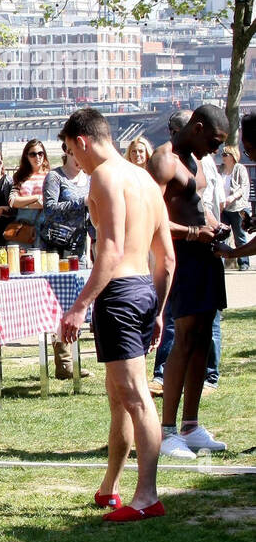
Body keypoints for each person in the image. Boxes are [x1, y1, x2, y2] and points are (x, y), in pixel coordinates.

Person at [58, 108, 173, 520]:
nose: (76, 161)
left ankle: (147, 497)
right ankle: (110, 487)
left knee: (137, 398)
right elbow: (168, 258)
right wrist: (157, 308)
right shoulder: (145, 179)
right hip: (142, 289)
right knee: (119, 397)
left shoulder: (105, 176)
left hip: (119, 293)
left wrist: (79, 306)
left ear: (83, 142)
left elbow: (110, 250)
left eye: (73, 152)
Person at [147, 105, 230, 461]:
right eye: (213, 141)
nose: (215, 149)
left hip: (204, 258)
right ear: (196, 128)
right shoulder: (163, 161)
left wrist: (213, 225)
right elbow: (152, 218)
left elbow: (197, 204)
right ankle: (166, 431)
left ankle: (191, 425)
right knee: (183, 340)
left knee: (201, 340)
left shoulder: (195, 161)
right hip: (181, 259)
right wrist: (195, 232)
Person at [43, 141, 93, 380]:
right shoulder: (55, 177)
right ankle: (63, 362)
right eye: (73, 154)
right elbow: (50, 209)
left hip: (81, 247)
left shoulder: (89, 179)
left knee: (78, 302)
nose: (78, 159)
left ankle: (74, 359)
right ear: (67, 153)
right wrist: (79, 203)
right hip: (57, 248)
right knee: (60, 305)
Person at [8, 138, 49, 241]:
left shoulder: (50, 176)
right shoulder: (20, 176)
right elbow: (12, 201)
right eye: (33, 154)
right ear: (26, 156)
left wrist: (23, 203)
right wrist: (36, 197)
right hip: (23, 226)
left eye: (40, 153)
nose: (37, 157)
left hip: (44, 226)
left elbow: (47, 203)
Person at [219, 145, 250, 270]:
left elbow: (243, 187)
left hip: (237, 207)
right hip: (224, 208)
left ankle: (244, 263)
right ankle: (220, 262)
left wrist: (232, 197)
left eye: (225, 154)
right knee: (221, 236)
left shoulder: (240, 168)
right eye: (222, 154)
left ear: (232, 156)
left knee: (240, 236)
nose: (223, 156)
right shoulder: (220, 169)